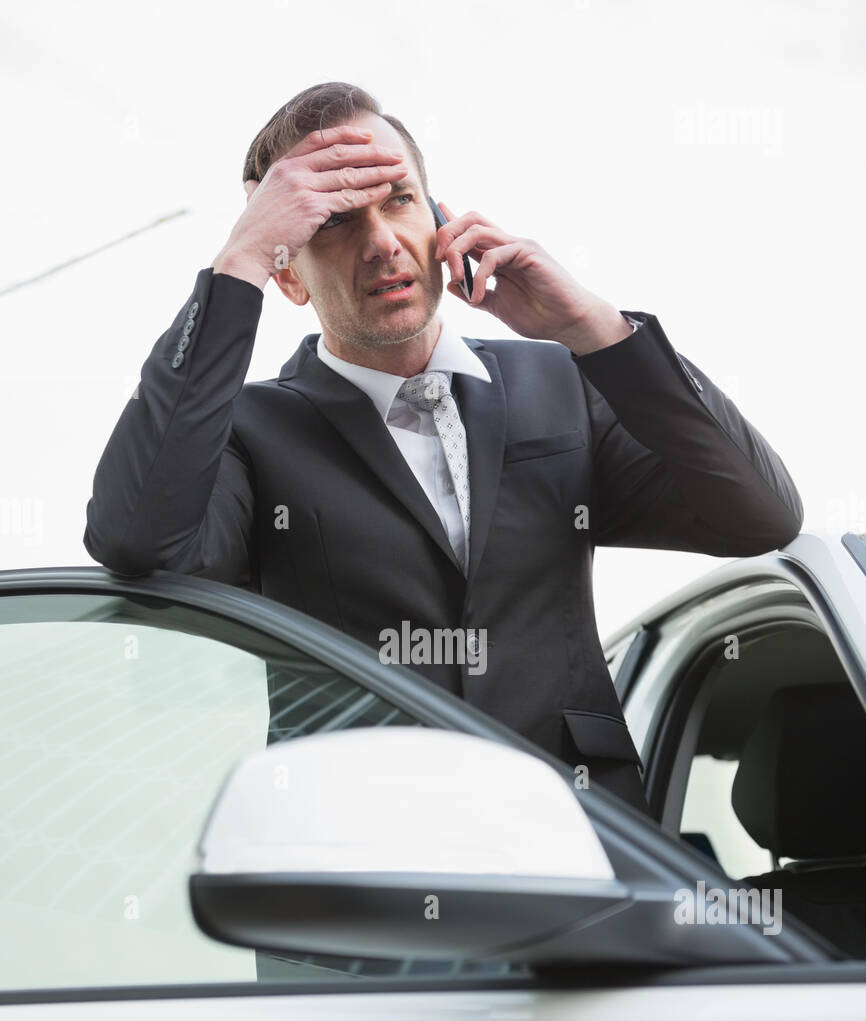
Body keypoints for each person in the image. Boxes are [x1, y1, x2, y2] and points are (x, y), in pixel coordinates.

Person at [83, 81, 804, 819]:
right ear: (288, 275)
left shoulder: (564, 383)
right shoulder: (245, 433)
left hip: (581, 864)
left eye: (397, 199)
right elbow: (137, 540)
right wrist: (237, 261)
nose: (381, 243)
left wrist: (594, 328)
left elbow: (758, 515)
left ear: (441, 220)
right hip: (361, 885)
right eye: (331, 220)